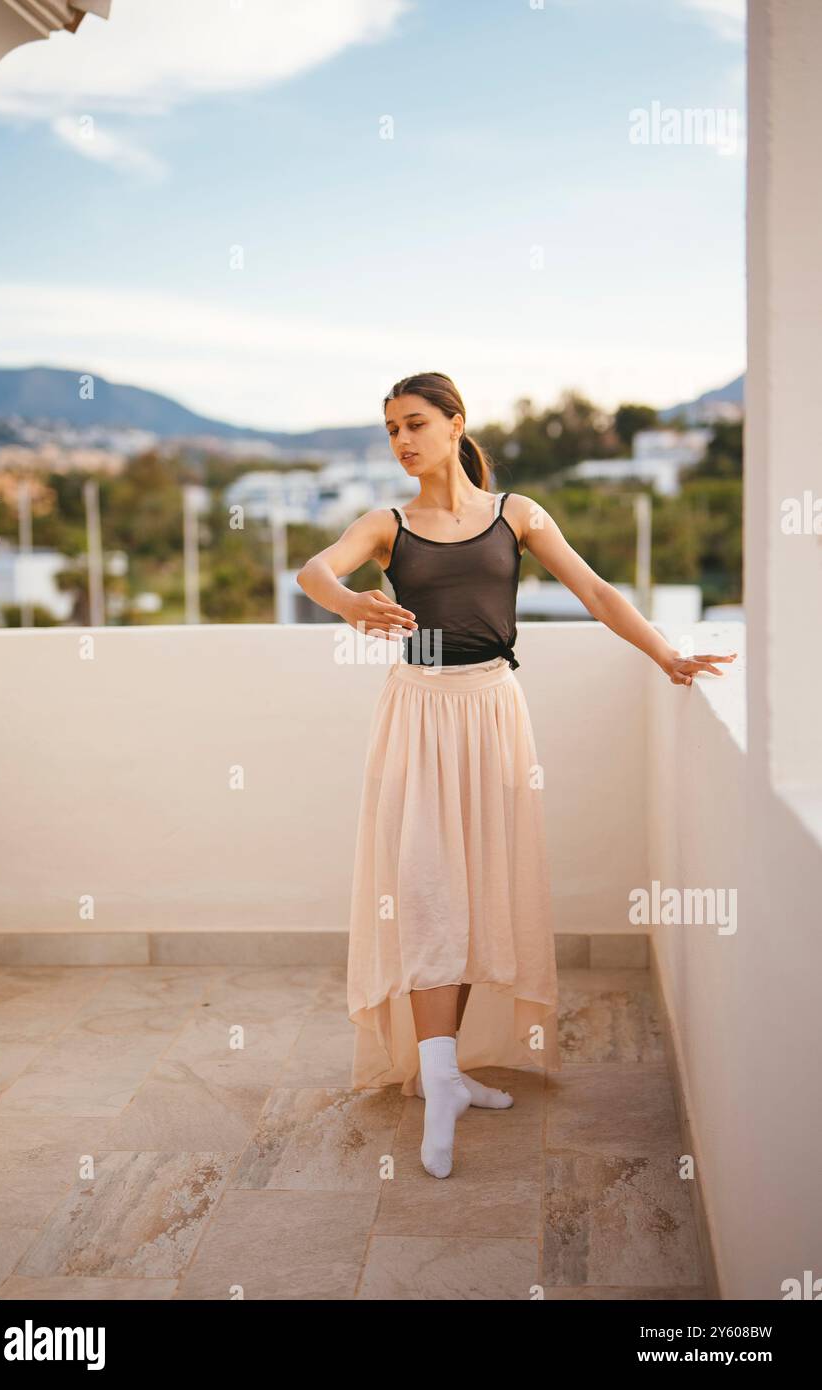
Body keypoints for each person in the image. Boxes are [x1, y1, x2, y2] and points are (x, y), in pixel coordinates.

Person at [295, 370, 736, 1179]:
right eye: (391, 428)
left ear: (456, 423)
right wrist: (351, 603)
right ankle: (438, 1079)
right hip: (417, 713)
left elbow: (595, 590)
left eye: (415, 423)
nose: (401, 440)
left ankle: (445, 1071)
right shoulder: (388, 524)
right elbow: (314, 572)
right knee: (426, 890)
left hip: (495, 711)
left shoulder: (518, 515)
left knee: (474, 892)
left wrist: (668, 655)